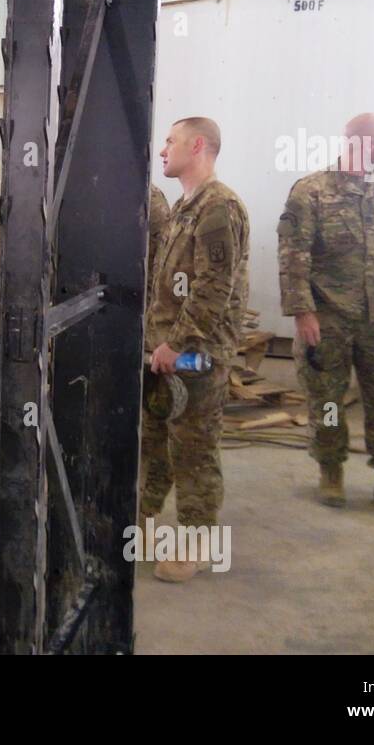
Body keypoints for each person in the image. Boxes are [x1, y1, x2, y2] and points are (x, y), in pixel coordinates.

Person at [278, 113, 374, 519]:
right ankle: (331, 471)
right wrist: (302, 312)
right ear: (364, 142)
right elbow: (295, 256)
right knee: (326, 399)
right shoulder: (311, 191)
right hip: (327, 318)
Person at [140, 117, 250, 582]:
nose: (163, 150)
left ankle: (197, 544)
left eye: (171, 141)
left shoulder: (219, 208)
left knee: (194, 449)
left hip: (196, 356)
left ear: (198, 145)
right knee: (155, 444)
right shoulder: (185, 207)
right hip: (164, 351)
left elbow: (212, 289)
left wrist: (175, 343)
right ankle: (141, 526)